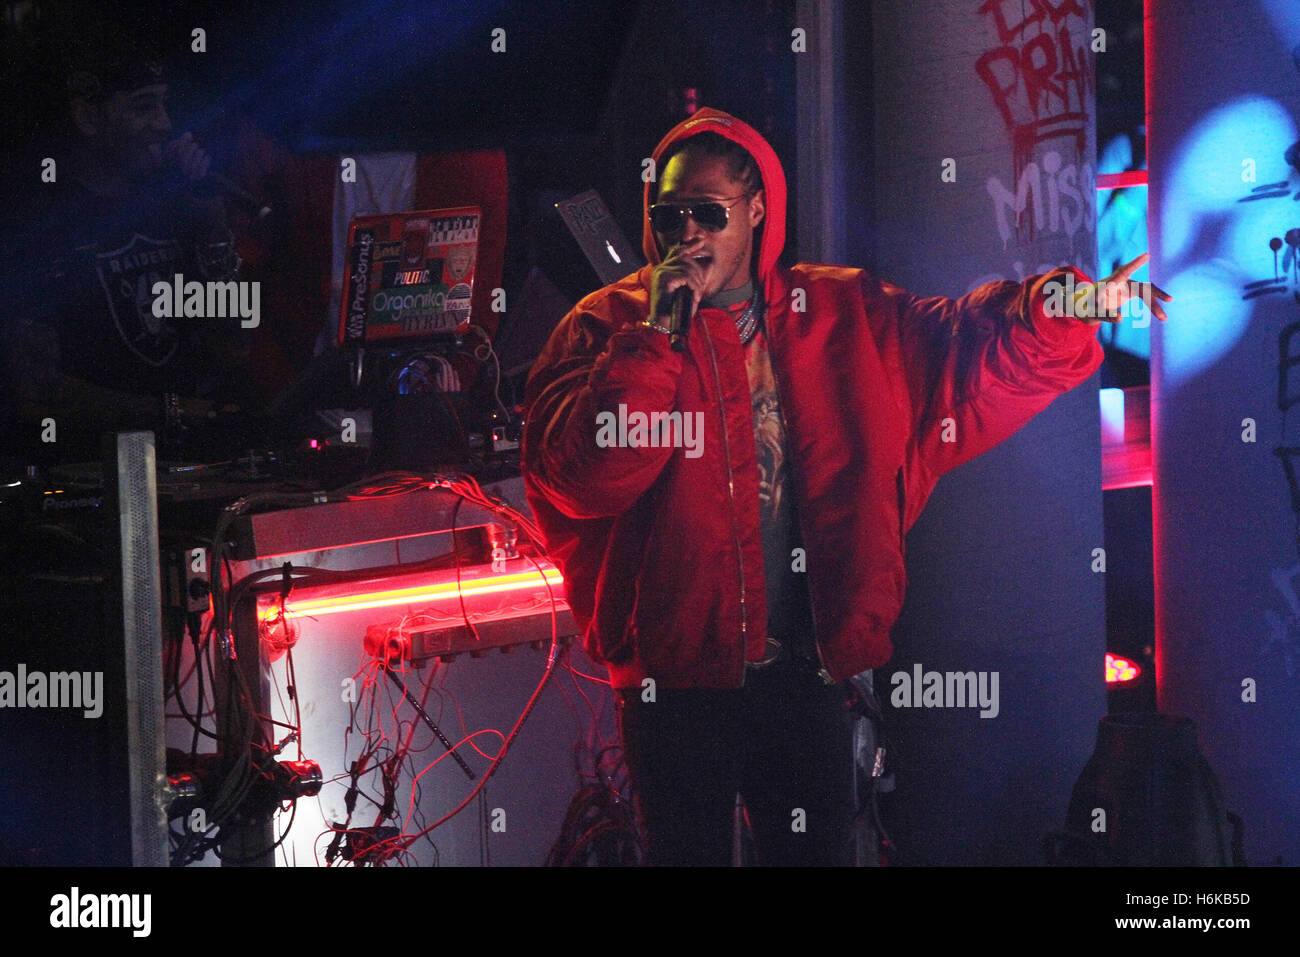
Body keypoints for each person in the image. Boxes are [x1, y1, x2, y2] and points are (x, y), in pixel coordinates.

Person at [521, 107, 1169, 866]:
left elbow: (967, 340)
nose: (686, 234)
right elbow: (586, 477)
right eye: (669, 215)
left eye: (707, 212)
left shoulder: (838, 313)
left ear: (756, 209)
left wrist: (1062, 306)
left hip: (806, 674)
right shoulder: (607, 326)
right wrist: (659, 337)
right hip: (674, 686)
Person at [0, 35, 252, 466]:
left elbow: (232, 340)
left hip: (183, 463)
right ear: (87, 117)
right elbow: (34, 390)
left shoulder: (171, 202)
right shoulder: (38, 218)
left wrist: (209, 214)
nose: (165, 124)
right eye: (143, 107)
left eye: (164, 104)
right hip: (83, 471)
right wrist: (167, 412)